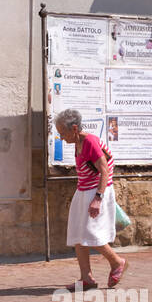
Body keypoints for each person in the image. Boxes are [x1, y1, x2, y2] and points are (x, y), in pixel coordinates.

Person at [54, 109, 128, 291]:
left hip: (96, 192)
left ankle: (117, 262)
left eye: (63, 133)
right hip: (83, 191)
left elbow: (105, 170)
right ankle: (86, 278)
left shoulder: (90, 142)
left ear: (74, 128)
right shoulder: (78, 142)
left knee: (92, 234)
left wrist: (98, 198)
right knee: (78, 234)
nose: (62, 138)